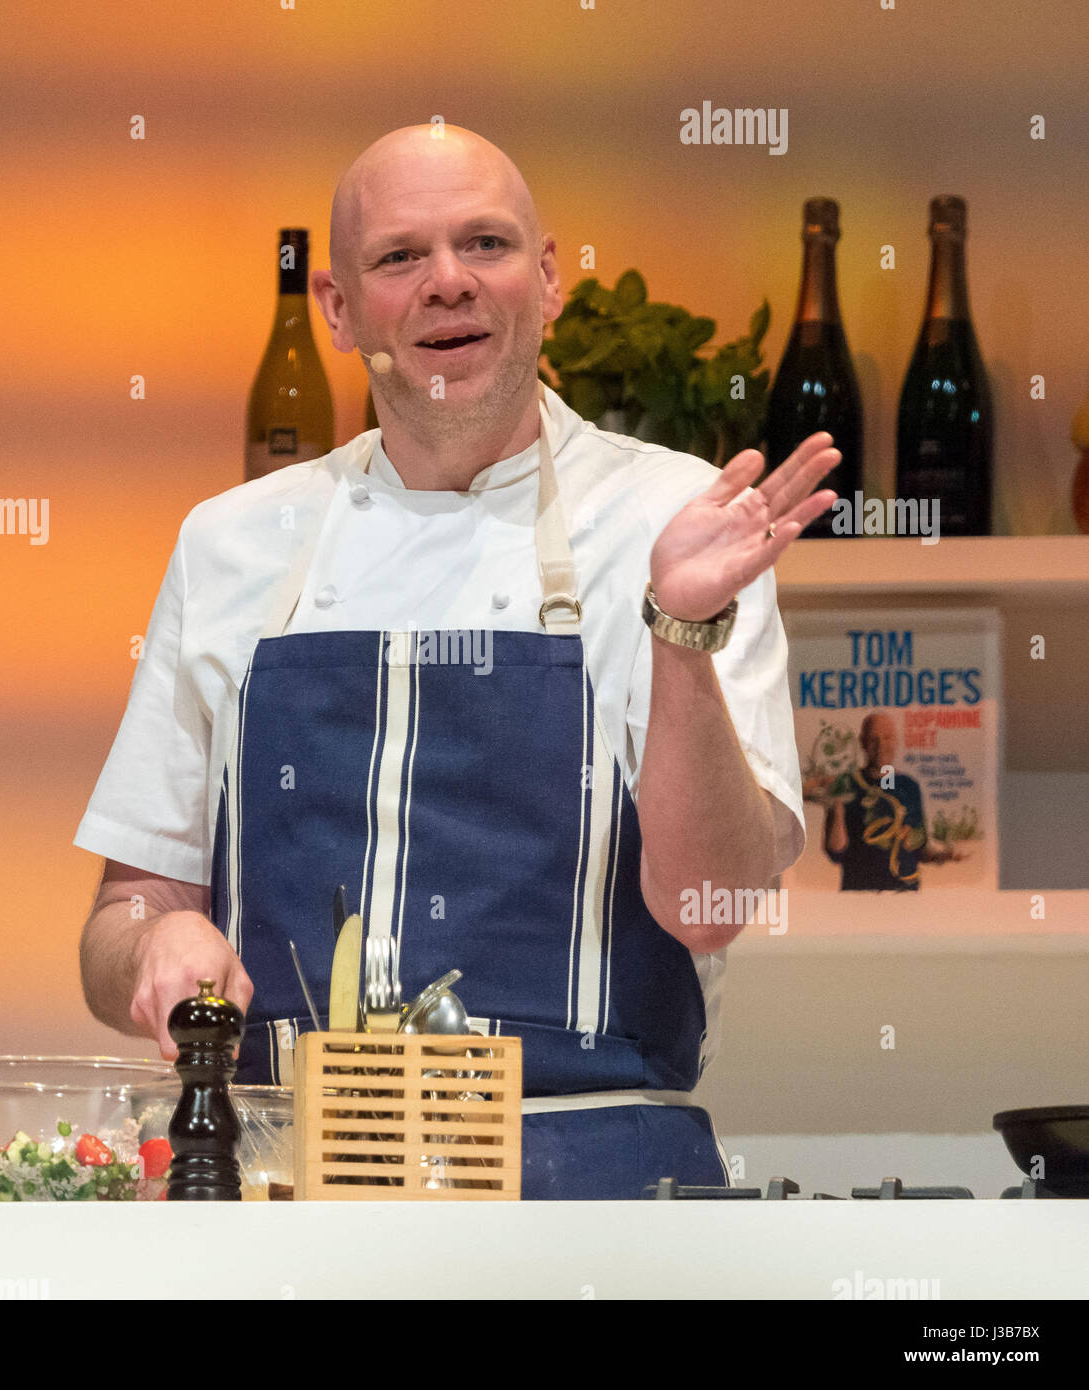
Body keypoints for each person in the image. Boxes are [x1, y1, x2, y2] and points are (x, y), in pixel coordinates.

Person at [75, 123, 838, 1199]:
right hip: (282, 1188)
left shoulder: (680, 518)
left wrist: (678, 629)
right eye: (398, 257)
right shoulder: (231, 541)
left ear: (550, 277)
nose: (448, 283)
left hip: (600, 1193)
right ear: (337, 310)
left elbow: (708, 904)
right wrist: (153, 946)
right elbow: (122, 916)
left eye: (484, 243)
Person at [822, 711, 964, 891]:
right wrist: (837, 808)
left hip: (905, 897)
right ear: (862, 742)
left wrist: (942, 855)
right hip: (859, 897)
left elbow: (919, 848)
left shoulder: (909, 787)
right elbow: (836, 853)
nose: (881, 745)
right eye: (874, 739)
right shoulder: (846, 785)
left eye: (887, 738)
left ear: (896, 741)